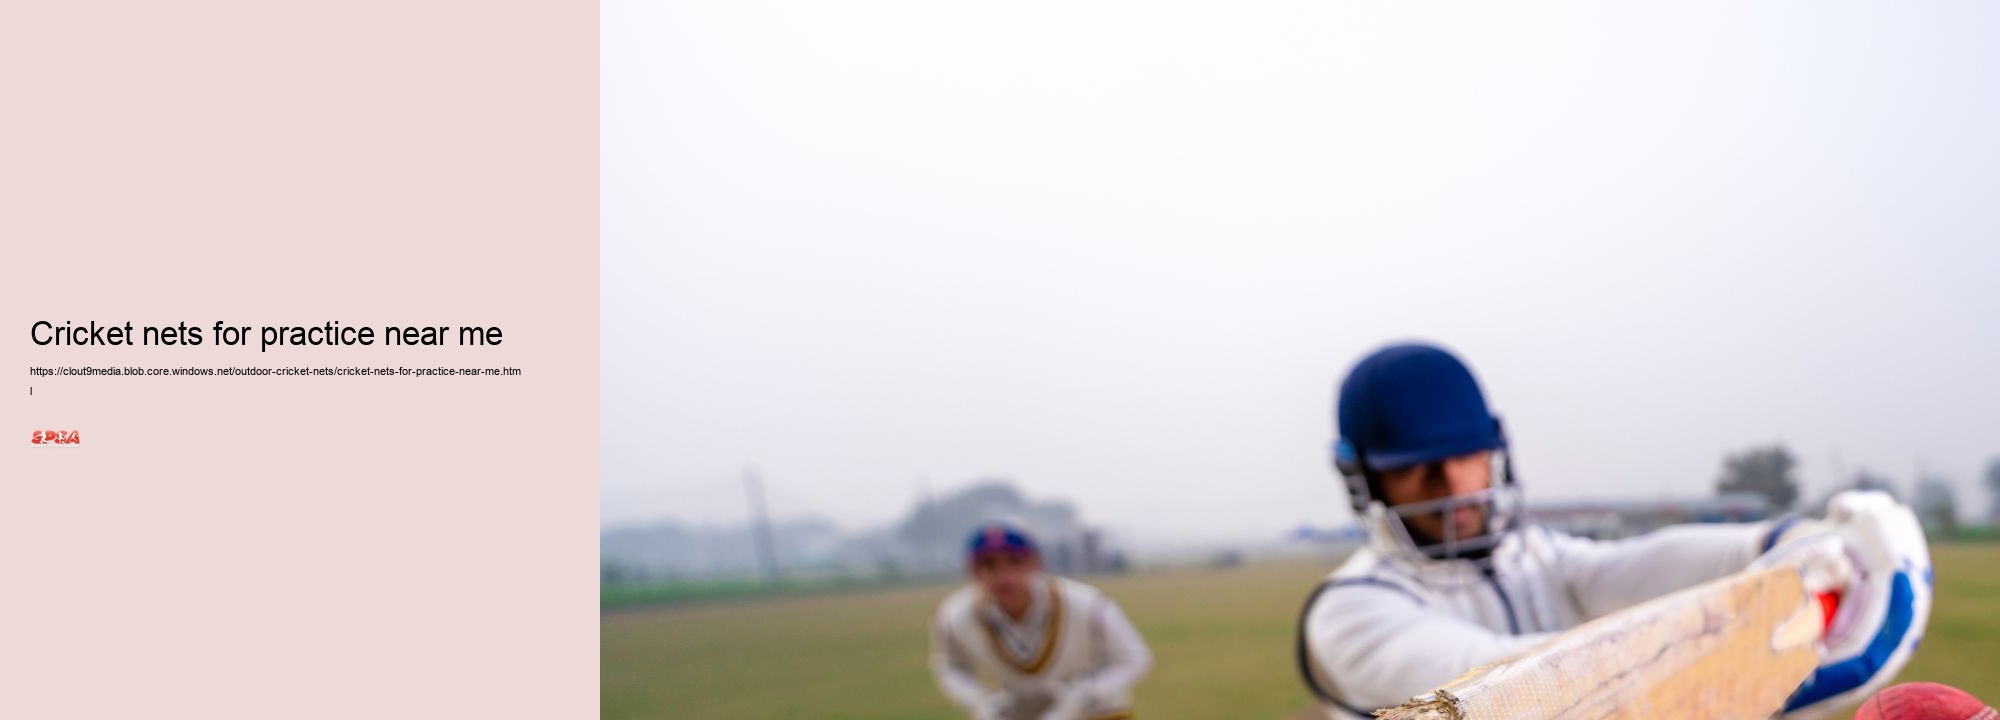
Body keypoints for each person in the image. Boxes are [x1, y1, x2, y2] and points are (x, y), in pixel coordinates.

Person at [1297, 342, 1932, 719]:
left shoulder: (1533, 557)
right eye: (1418, 469)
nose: (1457, 485)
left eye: (1469, 456)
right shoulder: (1351, 611)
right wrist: (1753, 668)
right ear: (1366, 480)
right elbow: (1509, 690)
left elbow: (1629, 566)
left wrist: (1786, 544)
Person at [931, 521, 1153, 720]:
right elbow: (950, 667)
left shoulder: (1088, 604)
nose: (1003, 576)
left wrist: (1082, 698)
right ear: (973, 570)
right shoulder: (955, 615)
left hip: (1098, 712)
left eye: (1014, 563)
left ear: (1035, 563)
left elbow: (1136, 658)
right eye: (989, 565)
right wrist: (980, 700)